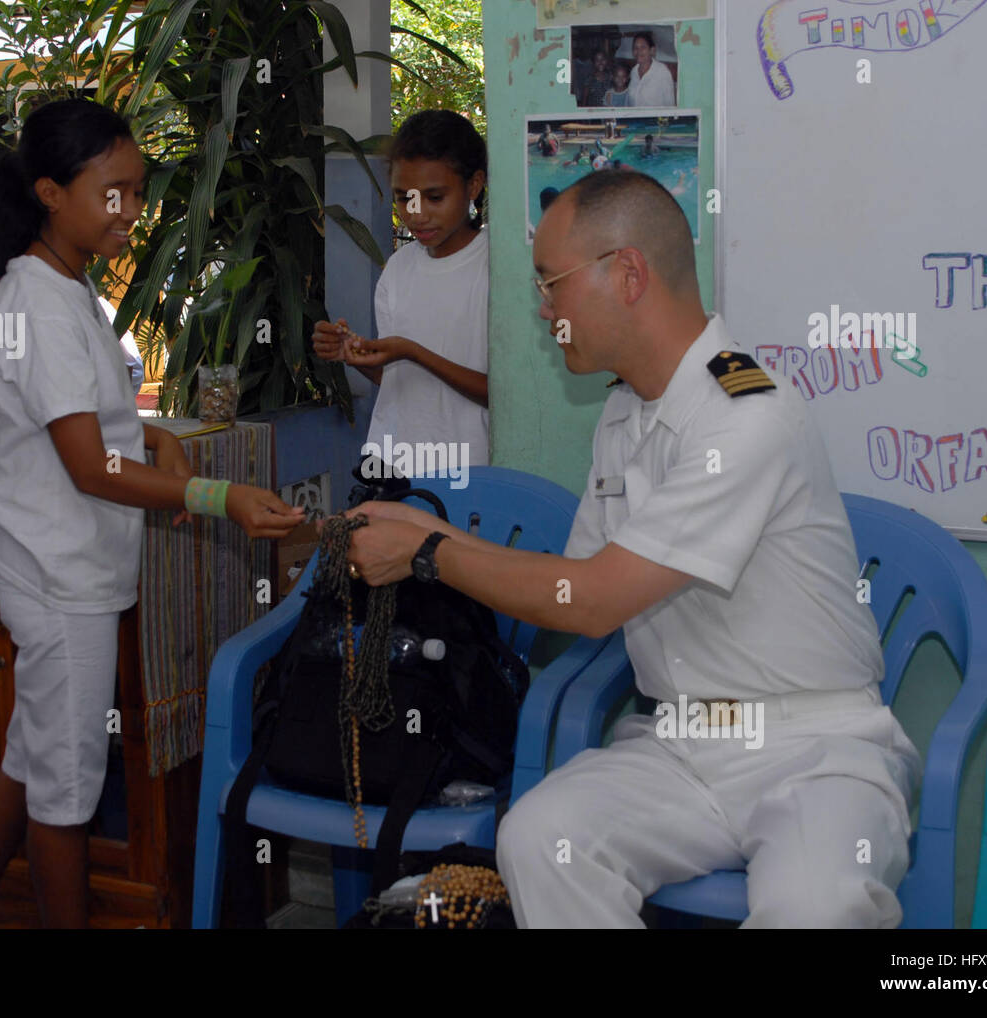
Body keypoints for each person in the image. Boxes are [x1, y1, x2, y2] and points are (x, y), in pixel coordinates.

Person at [344, 169, 922, 929]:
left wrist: (426, 555)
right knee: (542, 838)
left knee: (814, 905)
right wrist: (419, 527)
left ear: (627, 273)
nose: (544, 308)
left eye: (551, 283)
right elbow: (576, 581)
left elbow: (591, 603)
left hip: (815, 748)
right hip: (681, 743)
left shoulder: (747, 416)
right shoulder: (625, 414)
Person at [0, 98, 302, 929]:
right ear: (52, 191)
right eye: (114, 192)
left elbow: (103, 431)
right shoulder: (36, 303)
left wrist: (160, 449)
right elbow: (90, 468)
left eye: (137, 193)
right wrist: (218, 497)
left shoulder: (69, 290)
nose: (131, 212)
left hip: (71, 563)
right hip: (60, 580)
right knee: (66, 793)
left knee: (35, 755)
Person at [312, 109, 490, 472]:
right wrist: (354, 355)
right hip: (393, 462)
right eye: (402, 198)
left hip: (468, 469)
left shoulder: (495, 266)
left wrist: (411, 351)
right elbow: (395, 379)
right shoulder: (399, 267)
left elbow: (502, 394)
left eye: (434, 197)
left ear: (473, 186)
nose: (416, 213)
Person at [629, 31, 676, 108]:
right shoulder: (633, 71)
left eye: (643, 47)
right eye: (635, 48)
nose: (638, 51)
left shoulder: (662, 72)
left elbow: (670, 104)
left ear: (652, 50)